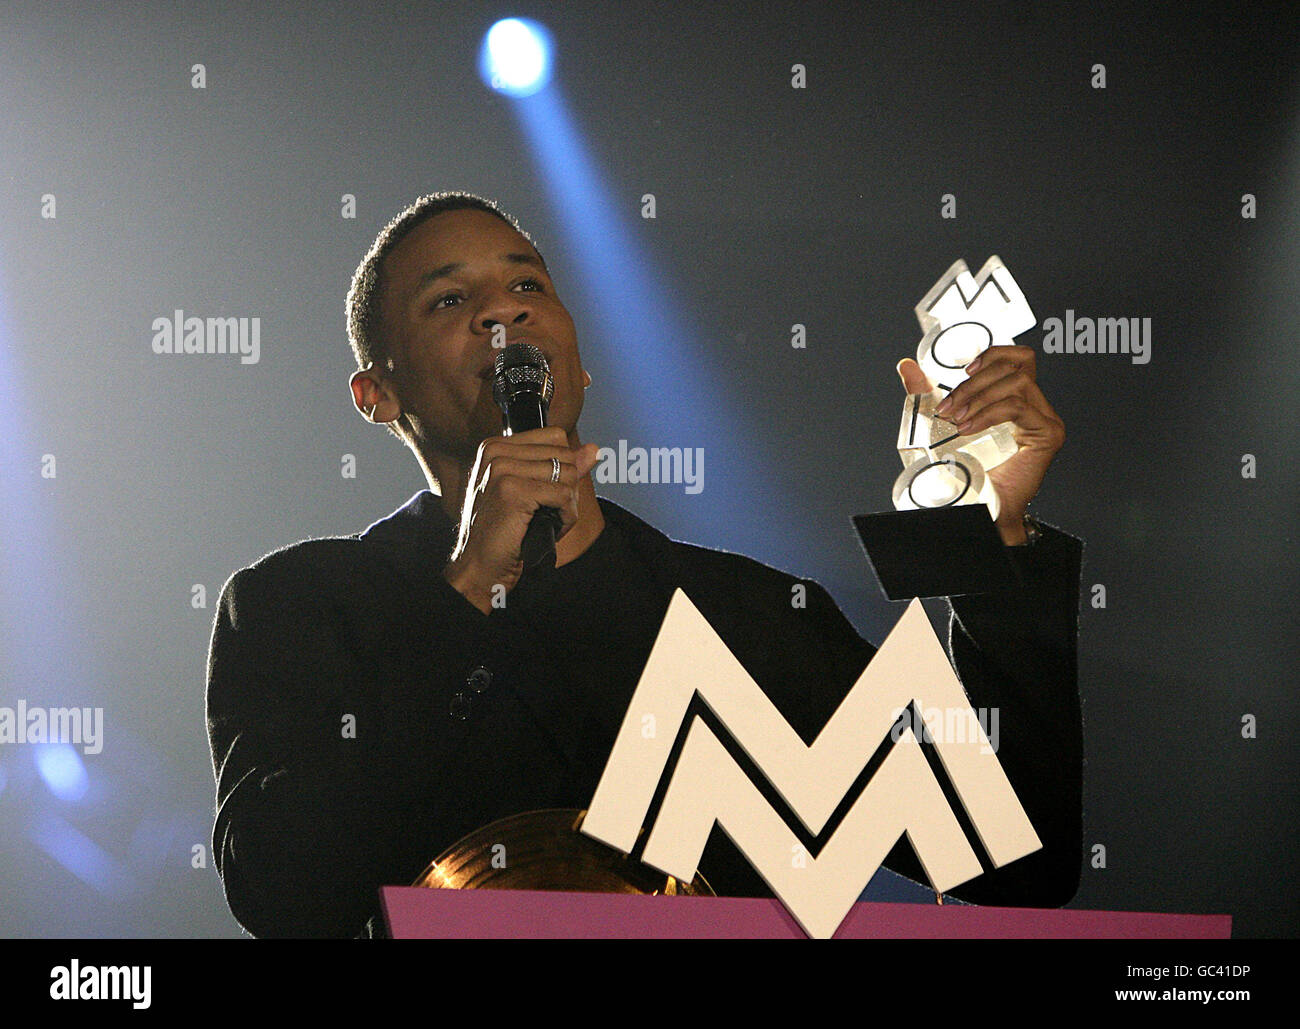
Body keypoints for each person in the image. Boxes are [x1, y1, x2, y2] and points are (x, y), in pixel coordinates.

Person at [205, 192, 1082, 938]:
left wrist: (992, 536)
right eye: (447, 300)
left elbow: (1017, 861)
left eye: (526, 286)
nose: (500, 311)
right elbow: (283, 888)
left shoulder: (748, 615)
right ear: (377, 394)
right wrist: (469, 586)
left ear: (579, 363)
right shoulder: (300, 603)